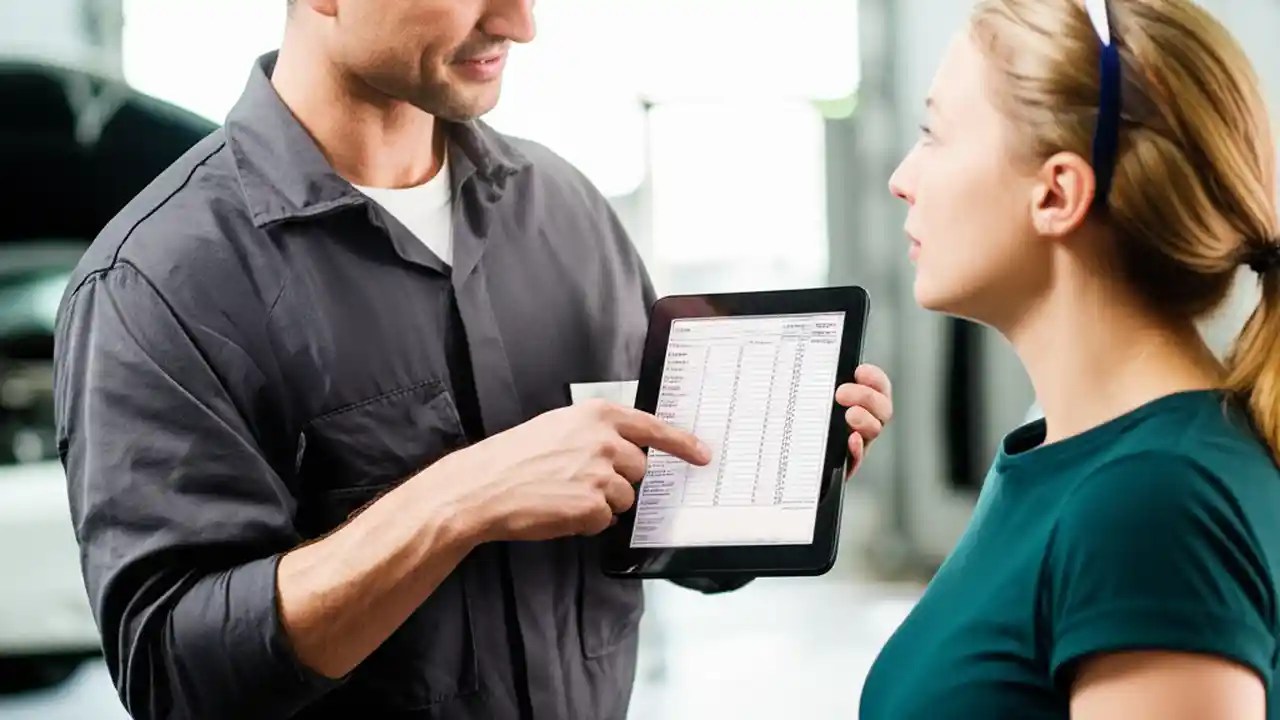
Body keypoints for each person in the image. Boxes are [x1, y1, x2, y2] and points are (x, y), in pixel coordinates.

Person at [51, 1, 894, 719]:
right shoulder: (155, 282)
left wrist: (765, 477)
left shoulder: (565, 212)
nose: (520, 23)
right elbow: (173, 675)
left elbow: (648, 528)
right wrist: (458, 499)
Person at [861, 0, 1280, 718]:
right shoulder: (1066, 460)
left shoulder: (1153, 504)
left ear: (1056, 193)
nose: (903, 177)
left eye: (934, 134)